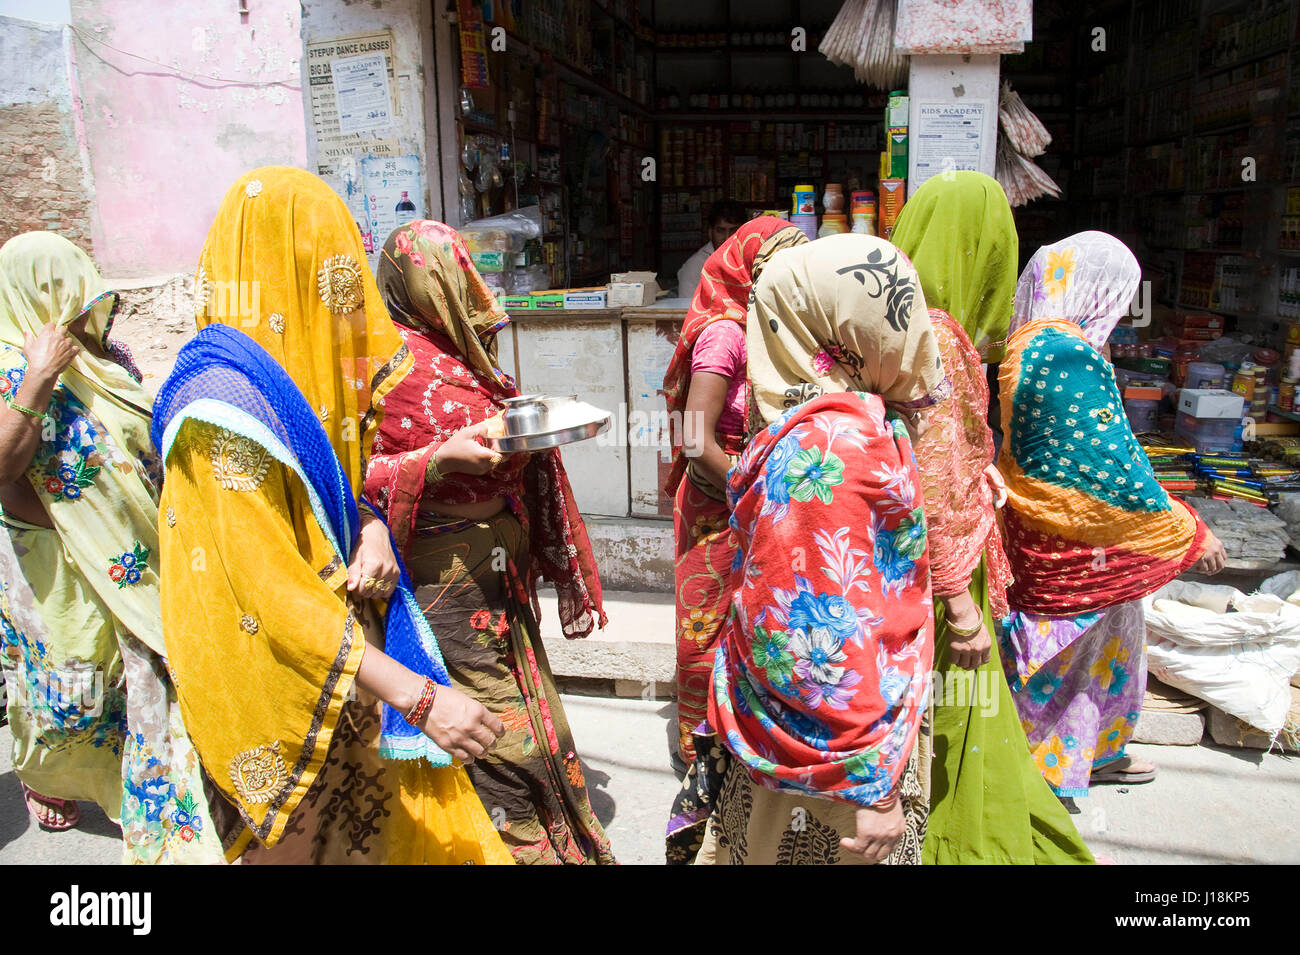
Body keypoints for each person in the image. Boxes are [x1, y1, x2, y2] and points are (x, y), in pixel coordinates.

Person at [152, 168, 512, 864]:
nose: (349, 303)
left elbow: (337, 489)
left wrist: (372, 522)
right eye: (331, 274)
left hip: (342, 678)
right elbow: (272, 592)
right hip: (280, 701)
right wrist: (421, 698)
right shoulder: (219, 412)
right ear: (287, 277)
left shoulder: (282, 383)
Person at [682, 234, 948, 865]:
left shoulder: (821, 443)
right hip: (863, 732)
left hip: (828, 752)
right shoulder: (865, 418)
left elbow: (816, 632)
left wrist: (870, 787)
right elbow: (837, 619)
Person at [362, 218, 614, 864]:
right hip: (444, 577)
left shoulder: (465, 354)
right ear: (410, 284)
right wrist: (437, 461)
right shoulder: (378, 369)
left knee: (536, 712)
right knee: (499, 734)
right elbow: (354, 479)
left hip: (500, 574)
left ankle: (555, 838)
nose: (462, 287)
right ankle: (521, 849)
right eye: (445, 274)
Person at [891, 172, 1094, 863]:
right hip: (941, 569)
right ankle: (958, 837)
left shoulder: (888, 320)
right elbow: (937, 477)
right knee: (959, 718)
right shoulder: (940, 340)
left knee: (934, 711)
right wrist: (962, 606)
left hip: (898, 562)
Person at [0, 231, 219, 862]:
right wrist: (38, 379)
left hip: (131, 552)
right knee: (74, 686)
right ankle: (47, 776)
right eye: (72, 295)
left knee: (145, 673)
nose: (89, 308)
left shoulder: (107, 357)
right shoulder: (12, 364)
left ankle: (162, 801)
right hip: (53, 561)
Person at [998, 231, 1226, 804]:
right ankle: (1059, 768)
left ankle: (1090, 755)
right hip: (1084, 539)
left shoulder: (1029, 343)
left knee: (1082, 652)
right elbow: (1104, 466)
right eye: (1119, 292)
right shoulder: (1064, 352)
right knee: (1079, 657)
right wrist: (1185, 528)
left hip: (1048, 529)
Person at [660, 217, 808, 765]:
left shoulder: (772, 325)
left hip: (753, 496)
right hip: (717, 499)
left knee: (753, 620)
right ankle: (698, 745)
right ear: (751, 270)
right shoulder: (726, 331)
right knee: (706, 619)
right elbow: (696, 438)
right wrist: (750, 488)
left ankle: (741, 734)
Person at [675, 199, 748, 299]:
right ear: (710, 232)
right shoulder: (695, 266)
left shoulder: (751, 260)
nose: (727, 238)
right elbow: (686, 309)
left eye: (733, 230)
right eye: (721, 231)